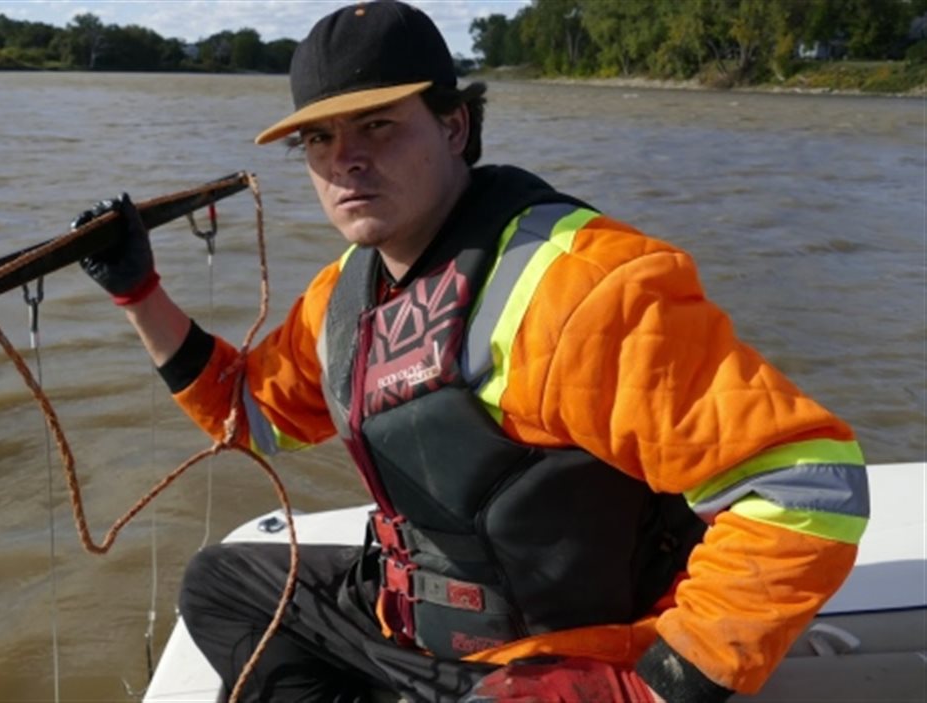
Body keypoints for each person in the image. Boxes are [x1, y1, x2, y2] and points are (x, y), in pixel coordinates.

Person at [76, 2, 869, 701]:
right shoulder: (341, 294)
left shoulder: (583, 288)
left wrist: (661, 679)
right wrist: (137, 289)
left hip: (568, 659)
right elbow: (249, 411)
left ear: (454, 125)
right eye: (318, 138)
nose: (344, 159)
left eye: (378, 125)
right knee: (219, 584)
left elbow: (806, 487)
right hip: (421, 629)